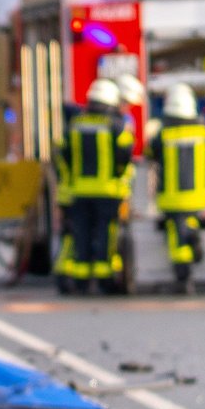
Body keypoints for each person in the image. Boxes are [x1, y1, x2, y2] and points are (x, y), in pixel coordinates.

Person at [55, 80, 133, 294]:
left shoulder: (76, 124)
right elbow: (126, 153)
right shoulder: (116, 125)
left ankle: (81, 281)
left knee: (81, 234)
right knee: (105, 233)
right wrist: (118, 174)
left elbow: (63, 153)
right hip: (107, 191)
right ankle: (104, 279)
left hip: (79, 191)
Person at [151, 84, 205, 292]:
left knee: (177, 237)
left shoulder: (163, 133)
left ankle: (183, 278)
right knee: (191, 223)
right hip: (198, 196)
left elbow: (151, 153)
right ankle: (193, 236)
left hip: (172, 197)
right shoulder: (203, 131)